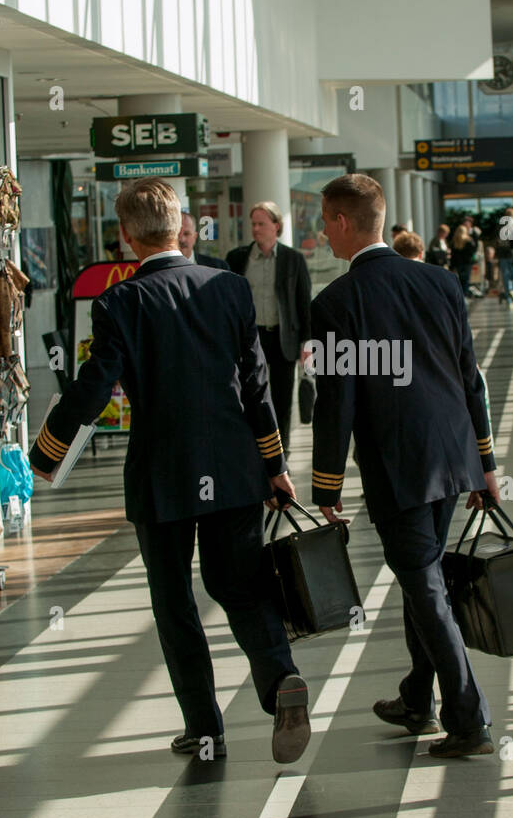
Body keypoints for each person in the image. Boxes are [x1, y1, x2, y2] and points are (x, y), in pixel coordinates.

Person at [28, 178, 310, 765]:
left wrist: (48, 452)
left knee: (174, 598)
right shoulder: (229, 289)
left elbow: (95, 388)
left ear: (126, 236)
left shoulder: (121, 303)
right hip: (235, 469)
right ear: (181, 223)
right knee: (239, 583)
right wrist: (274, 465)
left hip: (163, 475)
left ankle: (204, 727)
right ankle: (281, 676)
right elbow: (258, 386)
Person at [309, 173, 499, 758]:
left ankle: (469, 720)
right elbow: (470, 376)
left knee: (424, 584)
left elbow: (335, 399)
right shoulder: (441, 283)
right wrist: (486, 461)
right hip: (453, 456)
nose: (322, 231)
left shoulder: (337, 302)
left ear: (343, 223)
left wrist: (326, 482)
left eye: (325, 220)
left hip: (400, 469)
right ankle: (418, 697)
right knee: (426, 580)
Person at [227, 202, 312, 455]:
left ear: (276, 226)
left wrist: (307, 346)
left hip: (283, 337)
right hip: (250, 339)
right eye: (252, 224)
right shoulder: (237, 258)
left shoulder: (293, 259)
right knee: (250, 393)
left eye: (261, 224)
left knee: (282, 398)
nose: (255, 229)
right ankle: (255, 444)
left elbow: (303, 304)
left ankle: (282, 447)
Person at [496, 206, 513, 307]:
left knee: (506, 277)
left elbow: (498, 242)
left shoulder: (500, 227)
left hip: (503, 255)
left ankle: (509, 299)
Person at [449, 216, 481, 298]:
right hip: (467, 262)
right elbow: (474, 249)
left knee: (460, 279)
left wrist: (452, 266)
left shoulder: (454, 241)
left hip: (458, 263)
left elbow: (453, 254)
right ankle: (464, 295)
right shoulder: (469, 241)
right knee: (465, 279)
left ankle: (461, 295)